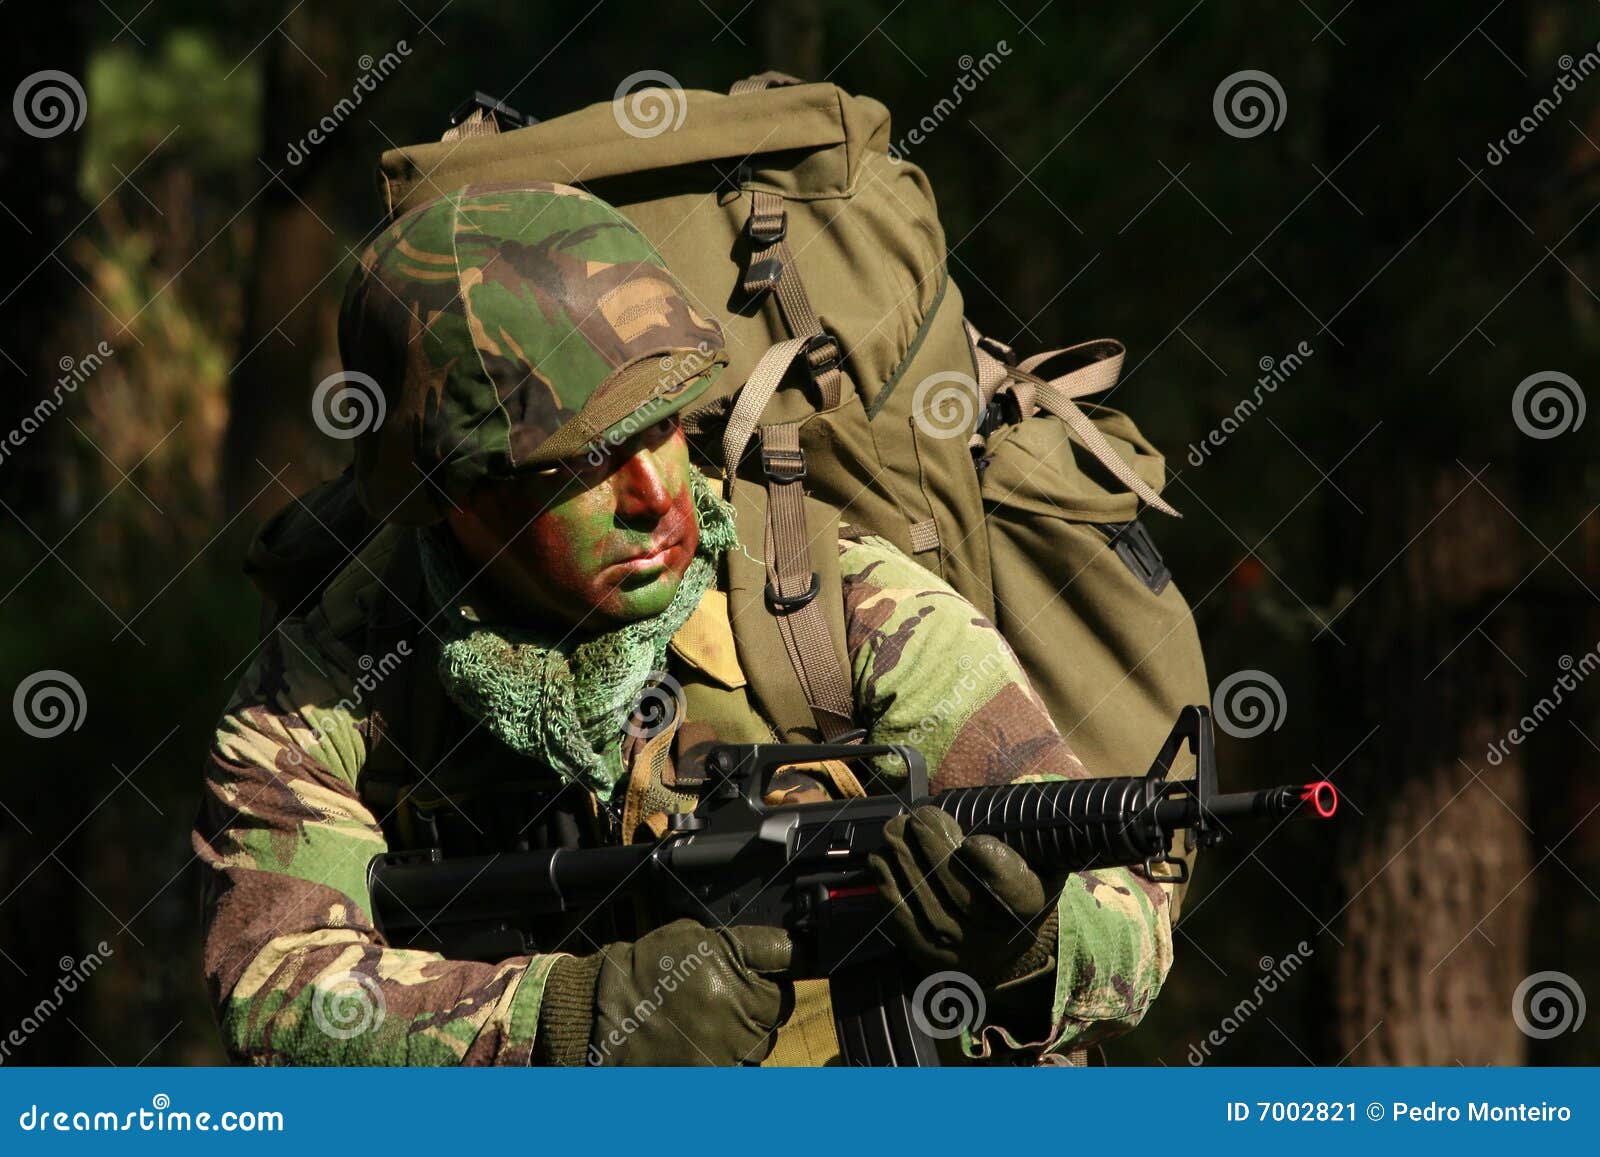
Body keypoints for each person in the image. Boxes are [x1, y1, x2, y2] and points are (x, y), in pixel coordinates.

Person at [194, 181, 1174, 1066]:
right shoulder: (341, 669)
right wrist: (562, 1019)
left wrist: (1033, 942)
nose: (658, 492)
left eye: (664, 424)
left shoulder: (838, 610)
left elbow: (1131, 918)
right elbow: (271, 986)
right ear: (452, 488)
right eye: (582, 462)